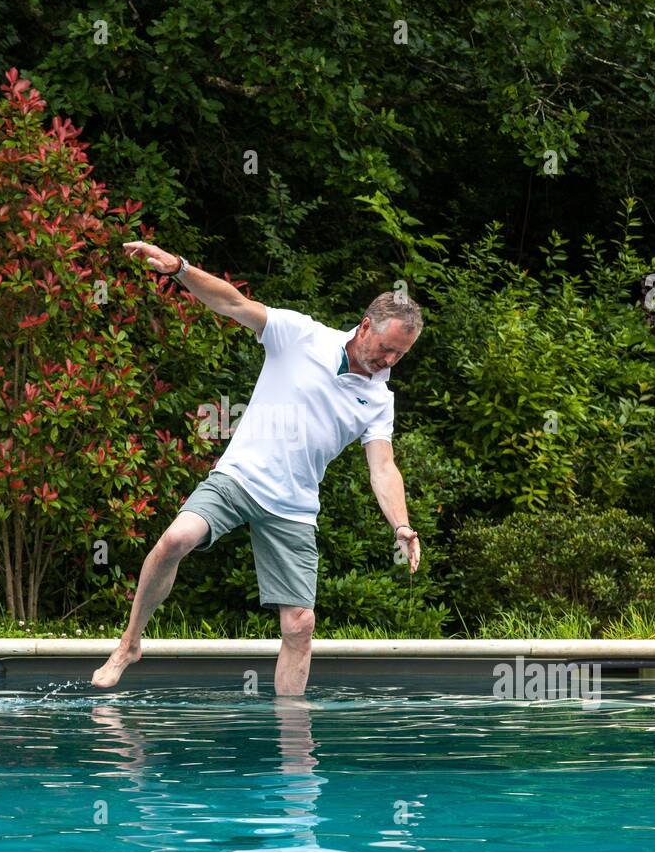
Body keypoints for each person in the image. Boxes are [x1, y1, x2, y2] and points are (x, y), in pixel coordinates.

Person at [91, 241, 423, 695]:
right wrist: (180, 269)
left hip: (294, 506)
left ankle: (293, 746)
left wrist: (401, 525)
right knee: (175, 539)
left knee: (300, 625)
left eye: (399, 356)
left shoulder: (380, 400)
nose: (389, 361)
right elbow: (233, 303)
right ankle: (129, 643)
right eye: (386, 348)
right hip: (240, 477)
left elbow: (383, 468)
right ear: (365, 326)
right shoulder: (301, 334)